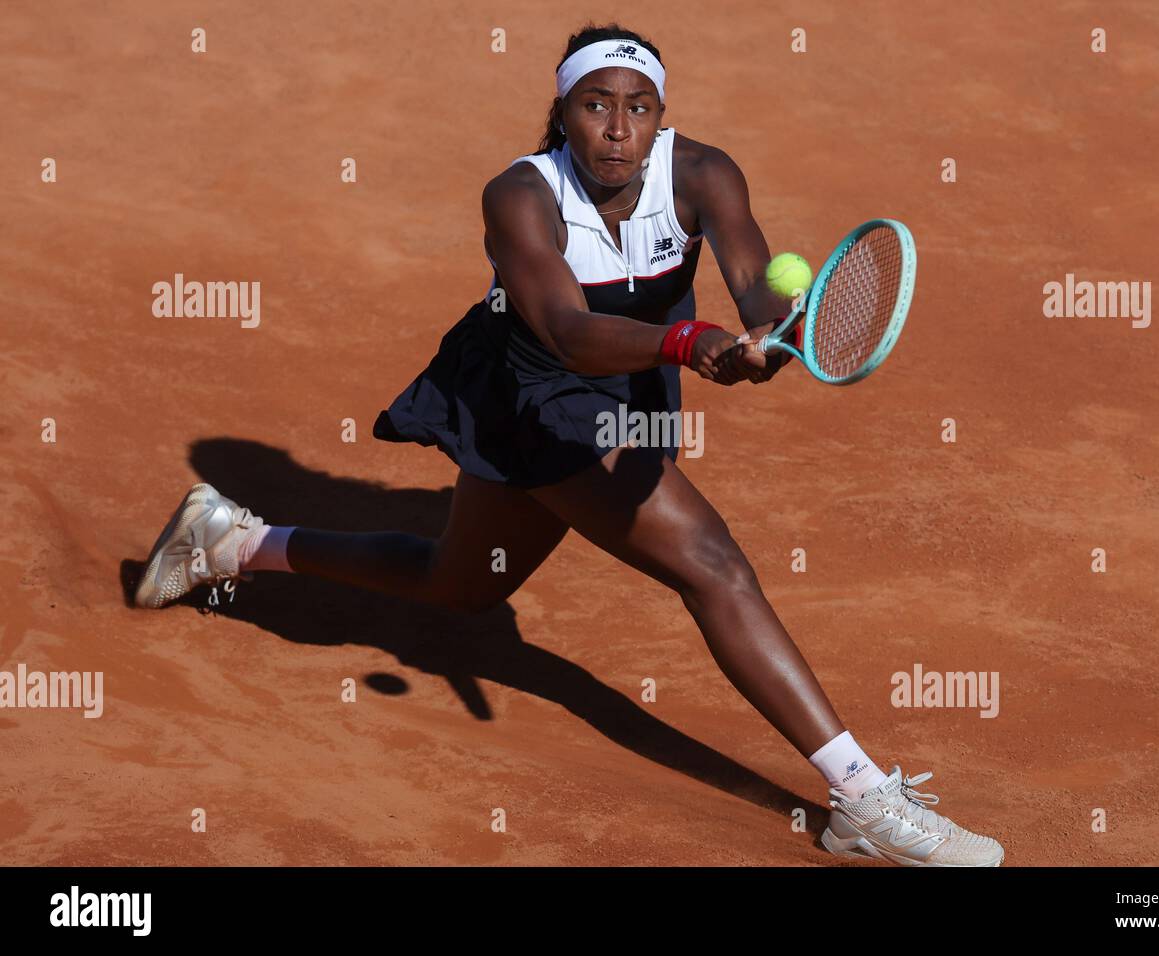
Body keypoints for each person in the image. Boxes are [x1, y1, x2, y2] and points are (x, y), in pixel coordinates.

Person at [134, 23, 1004, 867]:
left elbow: (754, 284)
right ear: (563, 112)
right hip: (536, 392)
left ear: (663, 115)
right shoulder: (519, 195)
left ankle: (231, 541)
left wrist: (766, 339)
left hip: (633, 392)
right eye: (596, 106)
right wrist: (686, 342)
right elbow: (564, 330)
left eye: (640, 107)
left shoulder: (703, 174)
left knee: (462, 587)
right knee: (712, 562)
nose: (619, 130)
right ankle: (862, 800)